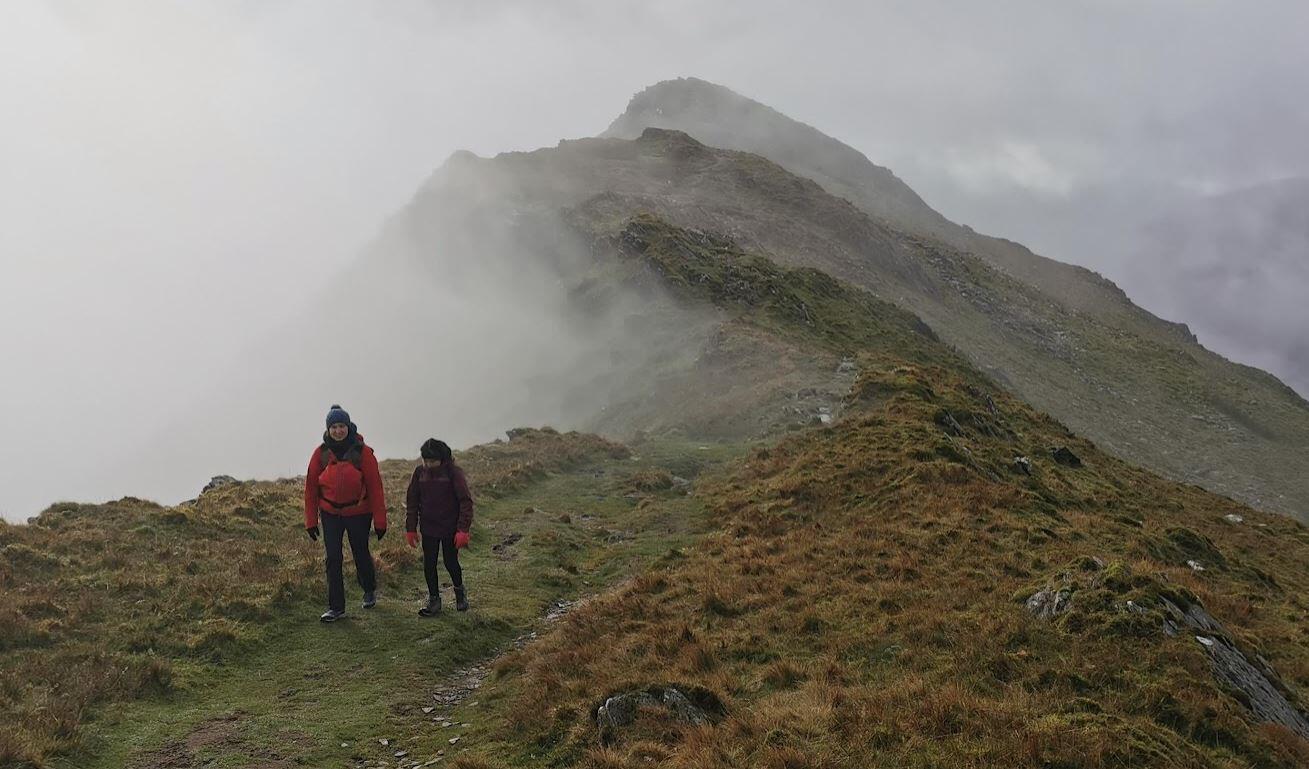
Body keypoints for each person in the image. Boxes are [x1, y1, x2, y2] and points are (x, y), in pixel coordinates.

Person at [304, 404, 387, 622]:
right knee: (333, 558)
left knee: (360, 552)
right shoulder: (320, 453)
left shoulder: (362, 452)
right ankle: (336, 608)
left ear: (348, 427)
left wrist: (380, 521)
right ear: (328, 429)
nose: (338, 431)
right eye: (334, 427)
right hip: (330, 513)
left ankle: (368, 588)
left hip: (358, 512)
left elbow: (375, 487)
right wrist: (311, 521)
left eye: (342, 426)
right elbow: (311, 488)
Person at [405, 438, 474, 615]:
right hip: (428, 528)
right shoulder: (419, 473)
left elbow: (465, 501)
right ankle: (434, 600)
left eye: (432, 461)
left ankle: (460, 593)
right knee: (429, 564)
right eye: (425, 460)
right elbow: (412, 501)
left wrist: (462, 530)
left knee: (451, 562)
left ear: (443, 459)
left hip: (450, 528)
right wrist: (411, 528)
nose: (428, 464)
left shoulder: (453, 473)